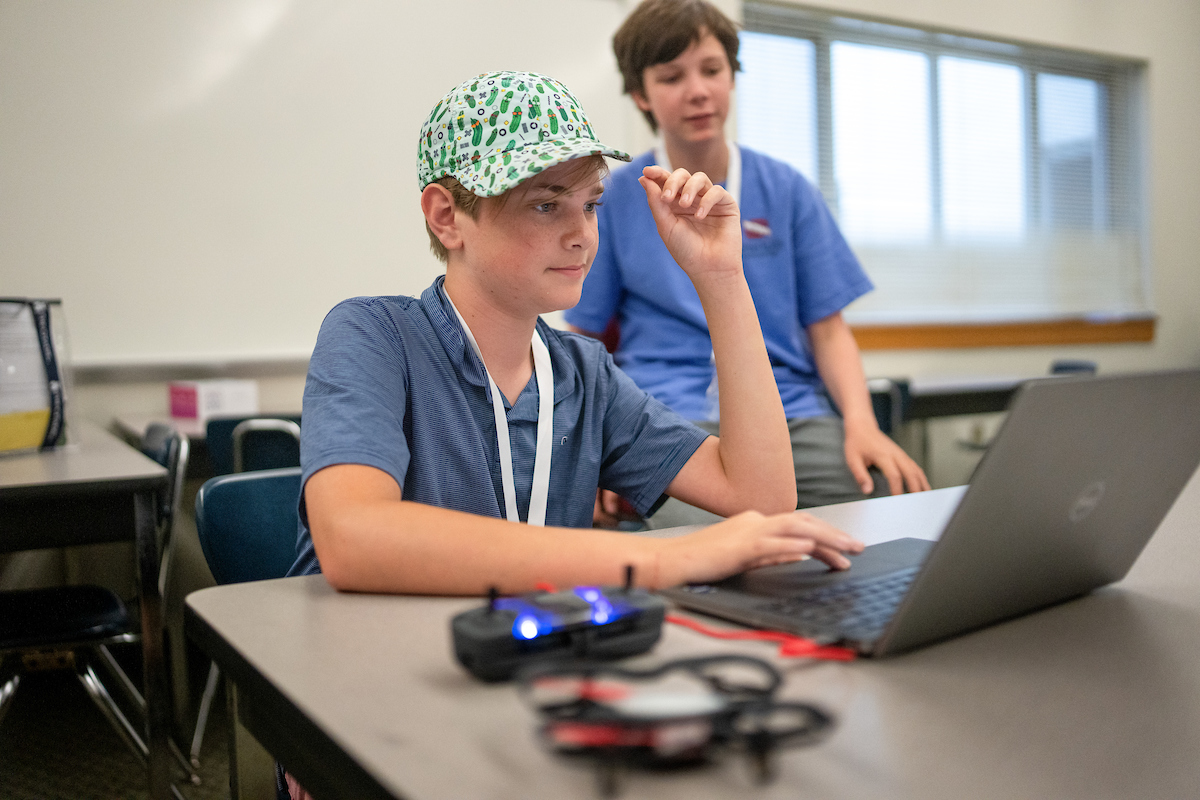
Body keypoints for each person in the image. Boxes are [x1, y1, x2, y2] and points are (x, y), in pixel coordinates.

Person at [286, 70, 864, 599]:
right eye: (544, 205)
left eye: (590, 205)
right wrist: (664, 559)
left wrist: (722, 279)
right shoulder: (374, 337)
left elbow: (761, 497)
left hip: (517, 657)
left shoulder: (583, 375)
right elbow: (353, 537)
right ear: (446, 217)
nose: (582, 234)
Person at [564, 0, 930, 529]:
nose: (698, 91)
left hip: (790, 411)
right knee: (715, 541)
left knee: (882, 515)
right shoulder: (616, 197)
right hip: (667, 414)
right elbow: (585, 335)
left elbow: (828, 331)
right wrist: (598, 443)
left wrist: (861, 423)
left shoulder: (786, 189)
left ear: (732, 78)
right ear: (641, 94)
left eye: (712, 70)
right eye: (672, 77)